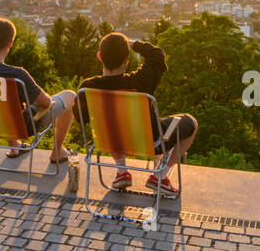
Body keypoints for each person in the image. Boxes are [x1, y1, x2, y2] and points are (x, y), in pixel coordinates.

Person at [76, 32, 197, 198]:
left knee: (112, 125)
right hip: (150, 143)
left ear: (99, 57)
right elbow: (157, 55)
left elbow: (79, 118)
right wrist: (132, 44)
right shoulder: (141, 81)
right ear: (127, 59)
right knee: (190, 122)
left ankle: (122, 172)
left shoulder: (88, 88)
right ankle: (160, 176)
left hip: (109, 141)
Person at [0, 16, 78, 164]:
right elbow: (45, 102)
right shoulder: (17, 75)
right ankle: (57, 151)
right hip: (21, 128)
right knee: (70, 96)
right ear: (10, 43)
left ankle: (14, 146)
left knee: (3, 105)